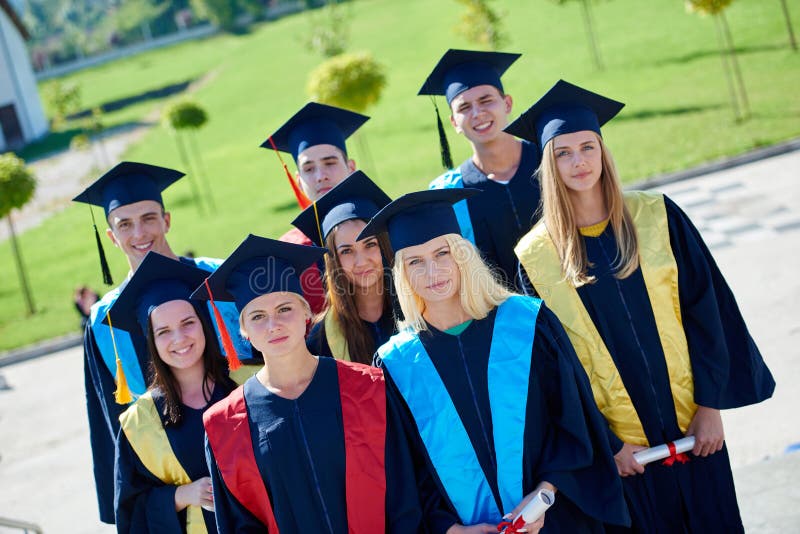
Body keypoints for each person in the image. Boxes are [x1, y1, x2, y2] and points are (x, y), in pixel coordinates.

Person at [507, 79, 776, 533]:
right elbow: (553, 373)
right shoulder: (535, 258)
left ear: (603, 151)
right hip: (625, 458)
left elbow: (706, 311)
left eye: (587, 147)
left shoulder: (656, 217)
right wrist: (607, 444)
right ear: (548, 165)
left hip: (697, 433)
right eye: (563, 153)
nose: (578, 162)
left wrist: (711, 405)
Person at [358, 189, 630, 533]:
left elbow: (573, 419)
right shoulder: (398, 364)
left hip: (556, 519)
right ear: (402, 274)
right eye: (415, 261)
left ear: (463, 255)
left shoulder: (527, 323)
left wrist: (544, 495)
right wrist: (451, 530)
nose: (432, 271)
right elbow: (406, 473)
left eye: (442, 253)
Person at [193, 235, 424, 532]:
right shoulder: (225, 427)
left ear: (306, 313)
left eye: (285, 309)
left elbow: (404, 495)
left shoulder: (367, 388)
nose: (273, 324)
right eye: (258, 316)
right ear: (244, 330)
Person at [72, 161, 261, 523]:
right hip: (181, 498)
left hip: (251, 465)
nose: (139, 232)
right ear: (111, 236)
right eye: (124, 224)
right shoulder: (104, 323)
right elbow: (116, 426)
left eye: (148, 218)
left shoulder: (219, 281)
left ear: (167, 220)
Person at [108, 252, 237, 533]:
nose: (179, 339)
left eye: (188, 323)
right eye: (163, 331)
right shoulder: (140, 423)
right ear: (151, 341)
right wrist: (179, 497)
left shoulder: (243, 386)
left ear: (203, 323)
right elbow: (130, 515)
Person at [419, 49, 541, 291]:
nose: (477, 113)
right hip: (505, 321)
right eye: (464, 107)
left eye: (486, 100)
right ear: (454, 122)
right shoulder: (450, 194)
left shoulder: (547, 159)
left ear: (507, 103)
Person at [261, 102, 370, 315]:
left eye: (330, 163)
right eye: (309, 169)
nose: (321, 176)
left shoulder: (382, 226)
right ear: (298, 180)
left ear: (351, 168)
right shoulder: (289, 251)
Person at [291, 170, 396, 363]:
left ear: (385, 246)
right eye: (346, 251)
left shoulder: (420, 311)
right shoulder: (322, 340)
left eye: (370, 244)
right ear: (333, 261)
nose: (361, 261)